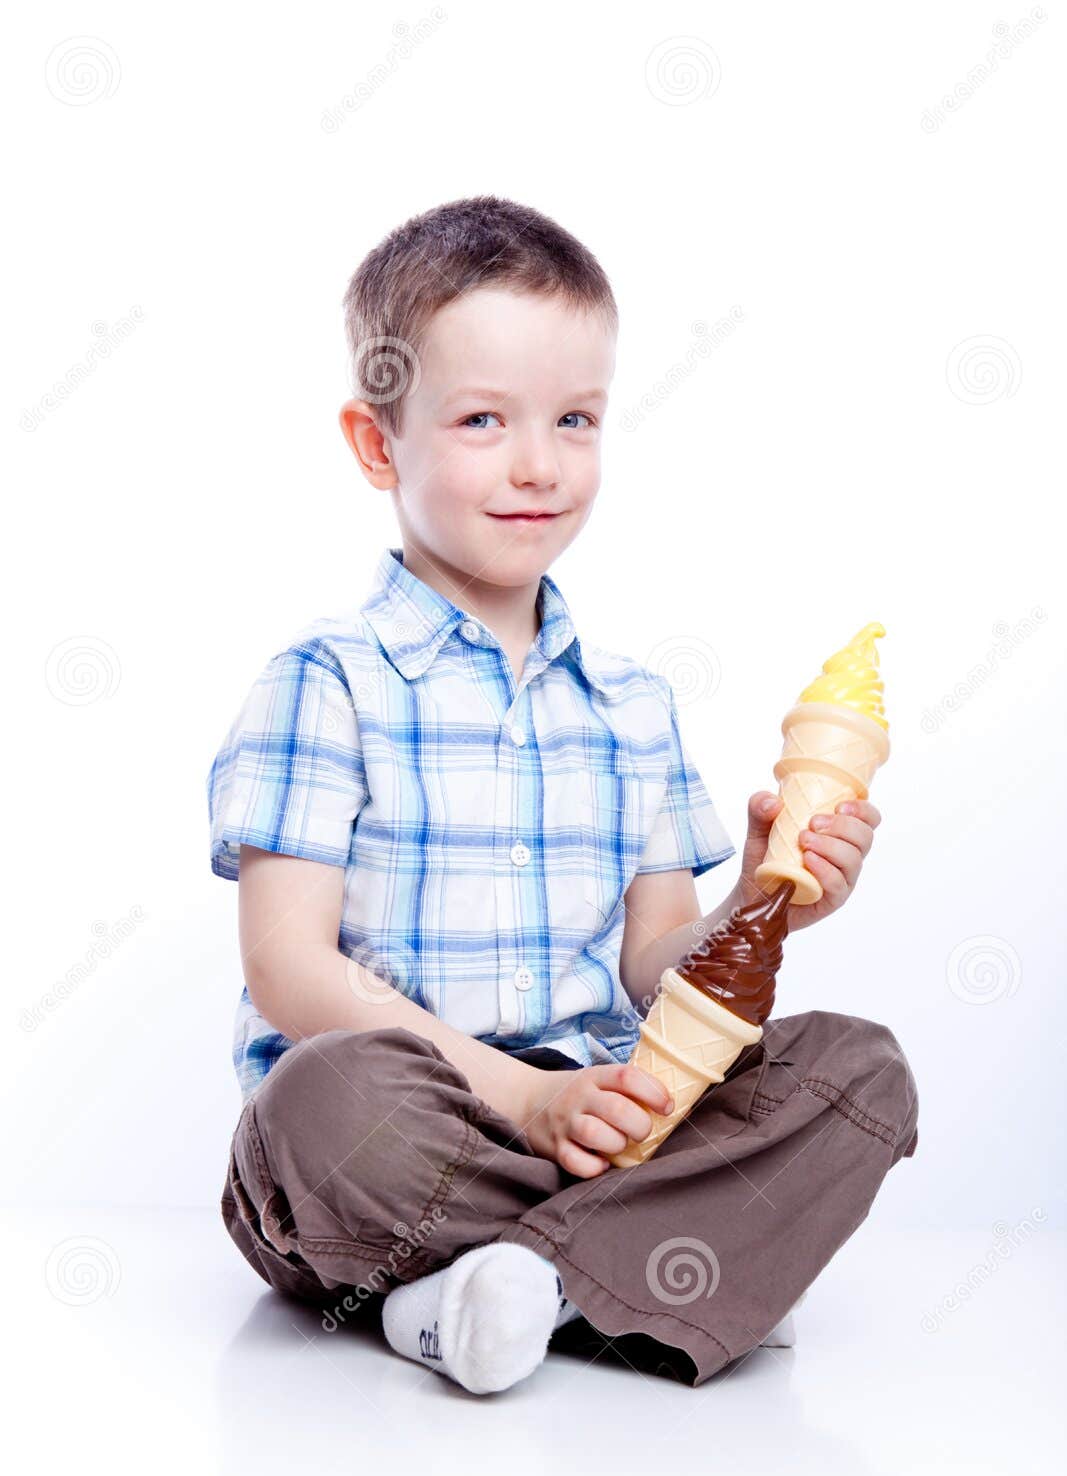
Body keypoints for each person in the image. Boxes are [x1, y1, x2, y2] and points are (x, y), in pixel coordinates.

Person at [208, 195, 918, 1396]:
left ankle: (500, 1289)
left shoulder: (631, 705)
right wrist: (526, 1101)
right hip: (412, 1128)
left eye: (574, 419)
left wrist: (763, 902)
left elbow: (652, 971)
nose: (538, 464)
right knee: (323, 1098)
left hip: (608, 1121)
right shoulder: (325, 682)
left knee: (857, 1070)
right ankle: (662, 1267)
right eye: (481, 419)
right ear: (378, 444)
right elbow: (290, 970)